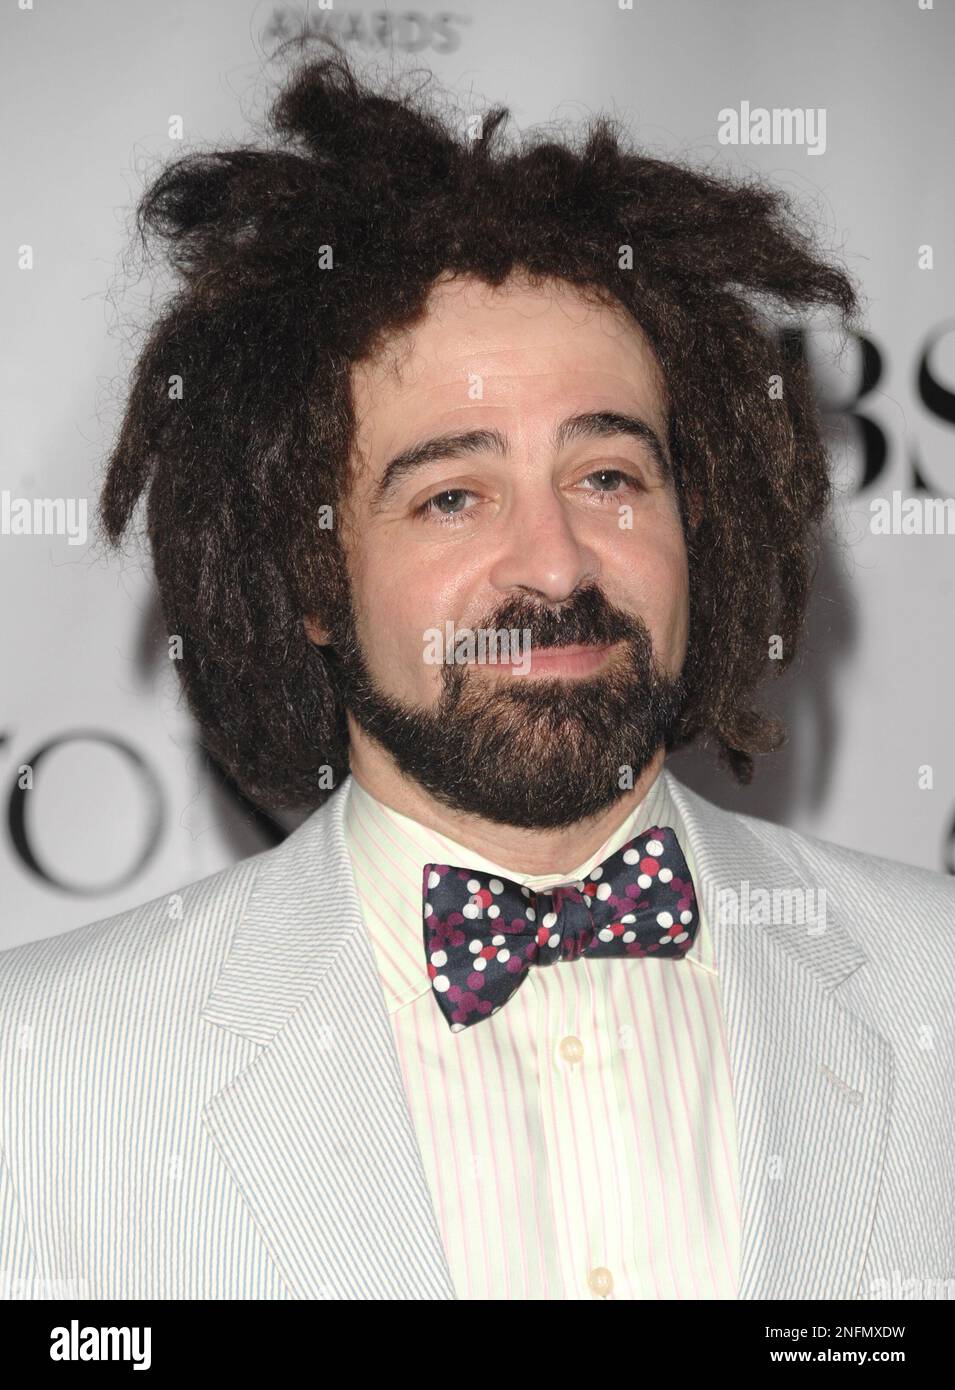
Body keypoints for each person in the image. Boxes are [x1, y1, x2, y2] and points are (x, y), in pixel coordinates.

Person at [1, 40, 952, 1302]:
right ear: (310, 578)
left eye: (606, 476)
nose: (553, 566)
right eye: (452, 496)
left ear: (699, 514)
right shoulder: (43, 1076)